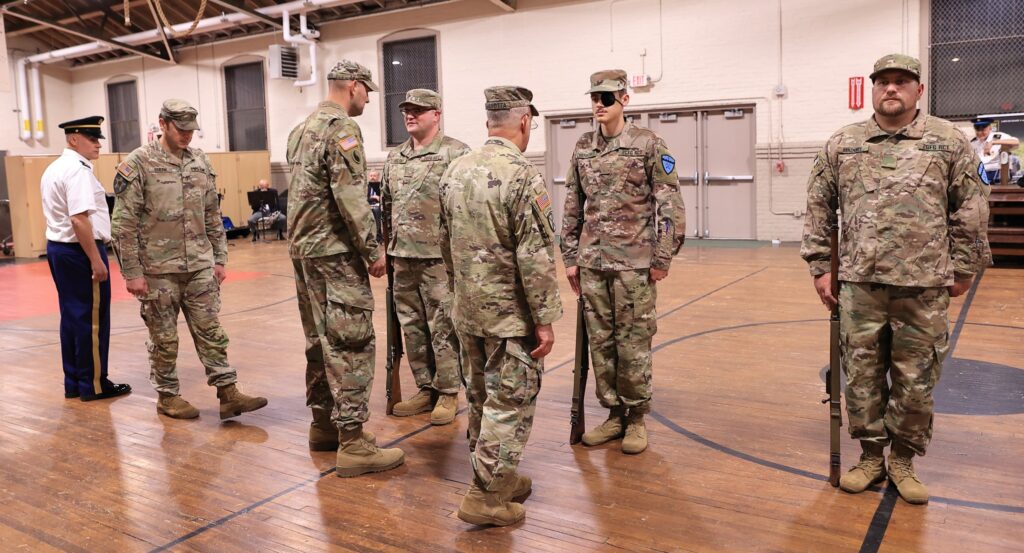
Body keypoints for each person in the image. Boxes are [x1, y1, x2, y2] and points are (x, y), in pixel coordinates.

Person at [801, 54, 990, 505]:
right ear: (873, 89)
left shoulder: (947, 142)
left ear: (918, 90)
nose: (891, 89)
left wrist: (963, 268)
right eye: (883, 81)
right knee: (862, 375)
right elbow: (817, 206)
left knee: (915, 378)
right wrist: (820, 268)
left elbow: (972, 206)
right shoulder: (844, 143)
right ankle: (870, 457)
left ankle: (903, 460)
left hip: (923, 288)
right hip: (859, 286)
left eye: (901, 82)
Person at [439, 86, 562, 526]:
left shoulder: (455, 169)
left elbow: (444, 244)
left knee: (481, 399)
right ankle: (486, 497)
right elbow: (535, 256)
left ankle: (499, 476)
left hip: (467, 312)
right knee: (509, 403)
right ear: (525, 121)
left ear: (488, 122)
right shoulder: (522, 175)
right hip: (510, 318)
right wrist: (544, 321)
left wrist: (460, 295)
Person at [111, 99, 267, 420]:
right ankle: (168, 396)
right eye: (180, 129)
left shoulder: (199, 162)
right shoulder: (138, 163)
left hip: (199, 265)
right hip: (157, 270)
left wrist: (220, 258)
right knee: (164, 338)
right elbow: (123, 224)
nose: (186, 136)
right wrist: (131, 272)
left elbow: (212, 214)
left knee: (211, 331)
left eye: (190, 130)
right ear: (163, 124)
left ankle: (228, 393)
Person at [286, 60, 404, 477]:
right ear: (352, 87)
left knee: (319, 339)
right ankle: (353, 442)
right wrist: (372, 249)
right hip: (335, 253)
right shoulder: (342, 129)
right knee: (351, 341)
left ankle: (324, 427)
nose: (369, 99)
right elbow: (351, 198)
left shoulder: (300, 130)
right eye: (367, 91)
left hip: (303, 252)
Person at [560, 69, 685, 455]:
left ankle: (636, 417)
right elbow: (572, 204)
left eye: (606, 98)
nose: (598, 105)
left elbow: (670, 203)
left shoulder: (649, 144)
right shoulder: (583, 145)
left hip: (635, 263)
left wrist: (663, 255)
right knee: (601, 342)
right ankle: (613, 413)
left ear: (624, 100)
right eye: (594, 98)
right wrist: (569, 256)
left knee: (633, 341)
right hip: (593, 262)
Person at [382, 89, 470, 425]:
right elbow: (387, 207)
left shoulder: (455, 153)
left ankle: (448, 391)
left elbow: (463, 209)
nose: (410, 115)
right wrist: (385, 251)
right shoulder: (395, 157)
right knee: (412, 326)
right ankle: (425, 387)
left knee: (443, 326)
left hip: (439, 259)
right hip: (402, 257)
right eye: (406, 109)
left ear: (437, 114)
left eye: (418, 110)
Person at [41, 116, 132, 401]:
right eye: (92, 139)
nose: (98, 144)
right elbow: (79, 219)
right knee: (91, 321)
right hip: (80, 251)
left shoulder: (55, 167)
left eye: (98, 138)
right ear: (73, 139)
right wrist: (96, 259)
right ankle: (94, 384)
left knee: (72, 318)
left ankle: (74, 382)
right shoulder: (77, 171)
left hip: (59, 248)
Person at [970, 118, 1019, 184]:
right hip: (980, 174)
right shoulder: (974, 143)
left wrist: (993, 142)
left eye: (983, 129)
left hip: (997, 173)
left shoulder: (998, 136)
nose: (980, 132)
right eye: (977, 129)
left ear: (990, 128)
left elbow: (1016, 142)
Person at [367, 169, 383, 242]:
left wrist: (378, 198)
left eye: (374, 176)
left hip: (378, 205)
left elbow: (384, 198)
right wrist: (371, 197)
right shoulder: (366, 186)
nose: (372, 177)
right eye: (371, 176)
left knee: (376, 210)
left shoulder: (381, 186)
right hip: (367, 205)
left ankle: (378, 236)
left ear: (378, 177)